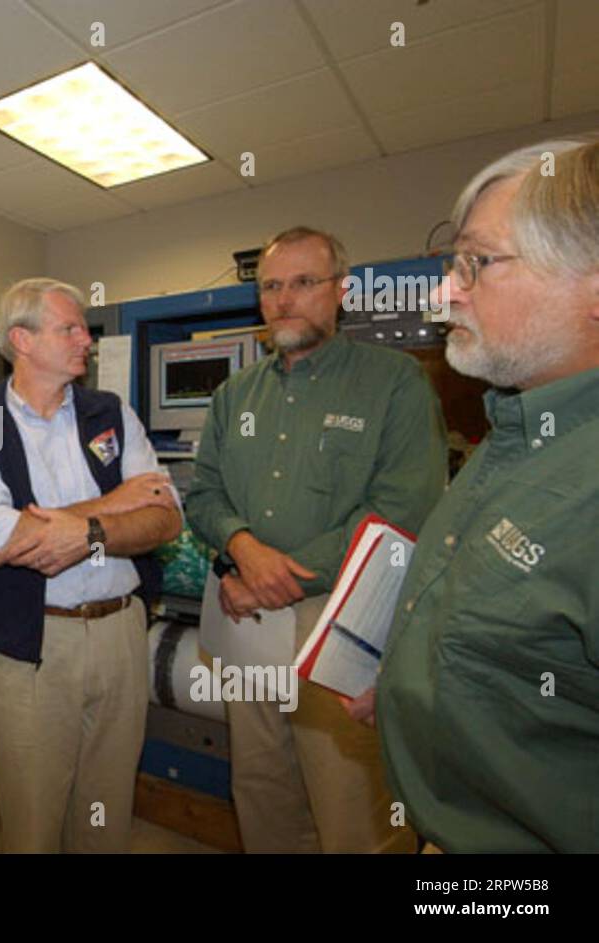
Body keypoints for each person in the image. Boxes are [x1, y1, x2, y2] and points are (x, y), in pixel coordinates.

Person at [367, 139, 599, 852]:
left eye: (479, 262)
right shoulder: (513, 433)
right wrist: (412, 686)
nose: (443, 293)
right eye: (452, 264)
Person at [185, 227, 447, 853]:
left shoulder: (395, 383)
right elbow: (204, 496)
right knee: (261, 788)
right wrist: (243, 551)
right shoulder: (233, 396)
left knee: (349, 801)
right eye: (271, 286)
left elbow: (402, 513)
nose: (284, 300)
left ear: (341, 291)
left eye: (304, 283)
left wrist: (280, 577)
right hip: (242, 613)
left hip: (339, 622)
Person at [0, 277, 180, 853]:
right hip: (34, 644)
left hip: (121, 631)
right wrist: (111, 505)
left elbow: (166, 517)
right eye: (70, 328)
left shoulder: (111, 413)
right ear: (21, 340)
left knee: (105, 810)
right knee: (30, 819)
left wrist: (87, 532)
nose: (87, 341)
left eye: (85, 328)